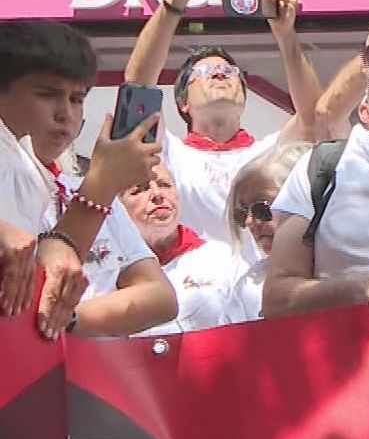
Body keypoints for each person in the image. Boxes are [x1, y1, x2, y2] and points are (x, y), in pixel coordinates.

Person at [121, 0, 324, 243]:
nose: (219, 73)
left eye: (230, 72)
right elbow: (138, 86)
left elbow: (315, 119)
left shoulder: (267, 153)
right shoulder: (168, 156)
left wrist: (285, 33)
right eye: (204, 72)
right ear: (183, 103)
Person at [0, 22, 175, 336]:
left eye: (77, 99)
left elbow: (34, 302)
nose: (65, 113)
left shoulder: (30, 173)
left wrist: (64, 317)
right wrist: (102, 183)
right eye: (47, 95)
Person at [261, 11, 369, 318]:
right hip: (353, 346)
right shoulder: (322, 167)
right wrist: (357, 290)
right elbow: (277, 298)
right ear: (364, 72)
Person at [122, 161, 246, 333]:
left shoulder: (222, 259)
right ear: (118, 209)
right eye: (140, 189)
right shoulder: (109, 274)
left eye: (164, 185)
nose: (157, 194)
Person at [222, 140, 312, 324]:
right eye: (242, 212)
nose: (249, 221)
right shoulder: (249, 287)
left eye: (261, 208)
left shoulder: (352, 266)